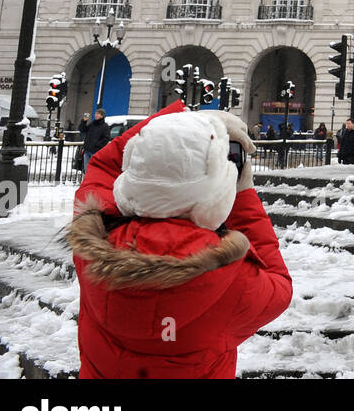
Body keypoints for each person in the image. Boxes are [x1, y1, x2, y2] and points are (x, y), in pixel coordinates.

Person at [66, 101, 292, 378]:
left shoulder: (92, 244)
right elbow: (278, 284)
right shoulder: (233, 279)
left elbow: (103, 165)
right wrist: (243, 193)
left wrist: (180, 120)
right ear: (217, 191)